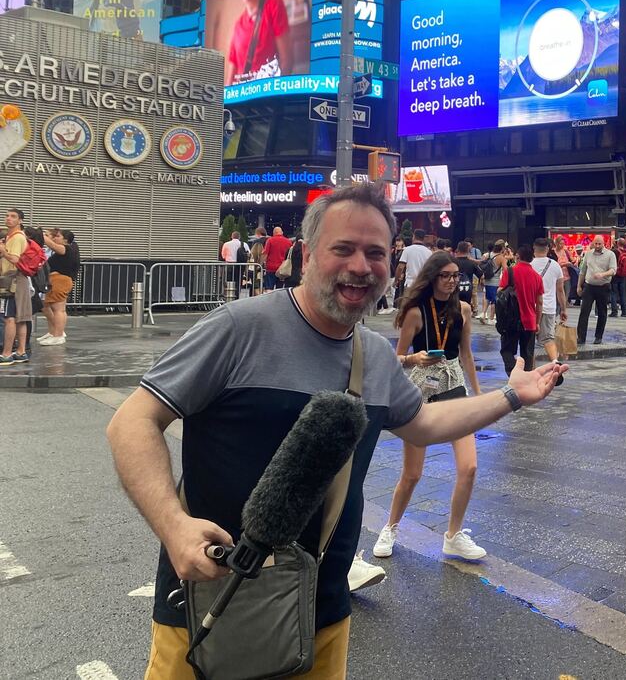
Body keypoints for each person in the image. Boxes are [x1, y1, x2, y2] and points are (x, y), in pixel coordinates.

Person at [106, 183, 567, 678]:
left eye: (374, 253)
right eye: (342, 249)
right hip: (214, 600)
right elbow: (132, 421)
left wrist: (513, 395)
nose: (360, 266)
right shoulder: (239, 327)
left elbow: (424, 423)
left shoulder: (372, 354)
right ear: (307, 255)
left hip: (322, 608)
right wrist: (173, 527)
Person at [373, 251, 487, 564]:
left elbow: (466, 354)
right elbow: (395, 359)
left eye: (455, 276)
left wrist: (478, 396)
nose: (452, 281)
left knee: (470, 467)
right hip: (421, 391)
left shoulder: (462, 309)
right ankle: (390, 527)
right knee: (412, 474)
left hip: (454, 388)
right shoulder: (415, 312)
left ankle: (453, 535)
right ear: (432, 277)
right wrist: (414, 358)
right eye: (446, 276)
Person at [224, 0, 293, 87]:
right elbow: (230, 78)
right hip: (240, 96)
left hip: (265, 91)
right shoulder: (238, 25)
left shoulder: (273, 2)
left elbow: (286, 59)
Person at [497, 244, 542, 374]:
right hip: (529, 320)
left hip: (510, 320)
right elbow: (539, 302)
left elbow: (500, 292)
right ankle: (525, 378)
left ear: (517, 256)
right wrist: (537, 322)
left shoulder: (510, 271)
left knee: (506, 350)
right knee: (527, 354)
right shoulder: (537, 277)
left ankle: (513, 374)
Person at [1, 208, 31, 365]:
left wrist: (3, 252)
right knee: (20, 318)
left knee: (9, 318)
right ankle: (21, 352)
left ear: (20, 221)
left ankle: (6, 354)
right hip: (18, 280)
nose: (8, 219)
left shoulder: (17, 238)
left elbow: (14, 258)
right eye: (7, 216)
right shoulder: (12, 236)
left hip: (12, 281)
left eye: (13, 216)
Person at [40, 227, 79, 346]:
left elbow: (52, 245)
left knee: (58, 309)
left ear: (65, 240)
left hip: (60, 280)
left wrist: (42, 236)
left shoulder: (65, 249)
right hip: (55, 280)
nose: (55, 238)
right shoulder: (65, 250)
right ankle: (54, 333)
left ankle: (58, 335)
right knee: (49, 306)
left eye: (58, 236)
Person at [531, 238, 567, 363]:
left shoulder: (529, 265)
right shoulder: (555, 265)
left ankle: (531, 368)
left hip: (531, 308)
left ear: (534, 248)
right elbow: (560, 290)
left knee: (528, 341)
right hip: (549, 308)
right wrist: (563, 309)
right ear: (547, 249)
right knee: (548, 339)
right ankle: (555, 362)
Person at [576, 236, 616, 345]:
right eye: (596, 244)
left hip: (603, 286)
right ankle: (581, 337)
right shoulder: (588, 254)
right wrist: (579, 286)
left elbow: (613, 270)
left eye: (600, 244)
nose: (597, 246)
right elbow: (583, 271)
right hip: (589, 286)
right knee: (584, 311)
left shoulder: (610, 254)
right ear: (593, 243)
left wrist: (603, 274)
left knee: (602, 312)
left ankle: (598, 337)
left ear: (604, 244)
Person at [480, 240, 509, 325]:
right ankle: (491, 318)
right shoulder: (501, 257)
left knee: (487, 297)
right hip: (495, 282)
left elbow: (481, 265)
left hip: (487, 280)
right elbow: (505, 270)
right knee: (494, 300)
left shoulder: (487, 255)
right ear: (502, 249)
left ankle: (483, 314)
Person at [453, 241, 482, 314]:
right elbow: (481, 275)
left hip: (454, 289)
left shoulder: (452, 262)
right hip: (467, 290)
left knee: (454, 309)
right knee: (465, 311)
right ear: (468, 251)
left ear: (458, 250)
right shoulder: (472, 263)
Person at [262, 226, 292, 291]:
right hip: (282, 269)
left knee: (269, 288)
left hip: (271, 268)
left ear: (273, 233)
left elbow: (265, 254)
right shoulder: (288, 242)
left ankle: (269, 300)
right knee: (280, 289)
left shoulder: (270, 240)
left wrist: (261, 263)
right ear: (282, 232)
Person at [611, 239, 626, 318]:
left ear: (617, 243)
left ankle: (614, 311)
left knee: (613, 293)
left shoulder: (615, 251)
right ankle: (624, 312)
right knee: (622, 293)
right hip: (623, 275)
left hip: (615, 274)